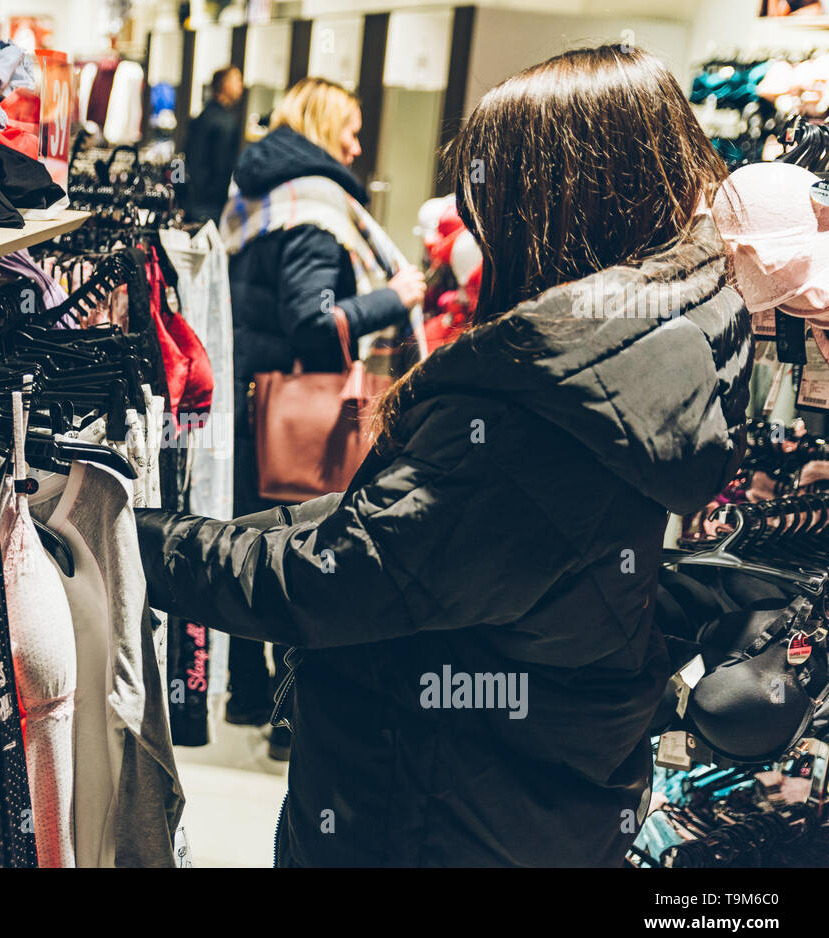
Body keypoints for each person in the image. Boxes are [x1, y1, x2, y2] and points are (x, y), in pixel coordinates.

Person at [138, 46, 750, 865]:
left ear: (558, 207)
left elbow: (342, 573)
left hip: (434, 815)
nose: (482, 229)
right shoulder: (652, 349)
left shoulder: (544, 418)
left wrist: (128, 535)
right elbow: (385, 534)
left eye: (496, 203)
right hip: (523, 801)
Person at [216, 76, 425, 758]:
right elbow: (314, 322)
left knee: (248, 540)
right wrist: (396, 296)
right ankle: (289, 720)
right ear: (324, 123)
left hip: (252, 400)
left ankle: (247, 693)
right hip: (301, 408)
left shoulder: (256, 193)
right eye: (352, 128)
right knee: (301, 553)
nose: (358, 144)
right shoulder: (315, 205)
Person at [182, 66, 244, 224]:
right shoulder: (225, 123)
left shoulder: (201, 116)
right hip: (212, 204)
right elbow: (223, 167)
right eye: (237, 80)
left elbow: (182, 159)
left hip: (191, 200)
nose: (241, 86)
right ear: (225, 85)